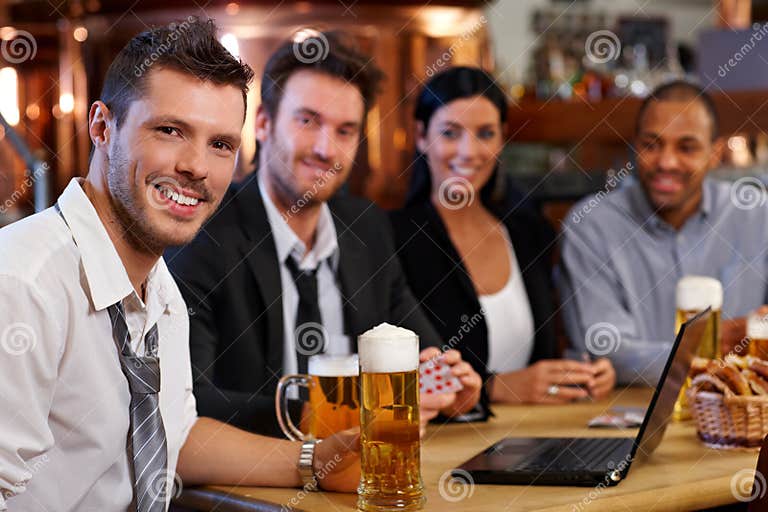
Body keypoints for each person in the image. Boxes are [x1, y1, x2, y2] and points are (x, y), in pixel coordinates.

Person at [0, 20, 361, 511]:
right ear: (102, 126)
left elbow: (176, 434)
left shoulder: (159, 287)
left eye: (220, 145)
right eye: (170, 130)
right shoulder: (22, 282)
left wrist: (315, 461)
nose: (196, 166)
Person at [166, 32, 482, 438]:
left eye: (345, 131)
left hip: (360, 481)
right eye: (307, 120)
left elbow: (424, 361)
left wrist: (452, 392)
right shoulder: (205, 232)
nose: (326, 149)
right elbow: (189, 399)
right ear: (263, 123)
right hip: (247, 491)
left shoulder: (367, 227)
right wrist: (334, 415)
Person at [389, 66, 615, 407]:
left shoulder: (528, 232)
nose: (469, 151)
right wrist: (496, 389)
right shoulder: (392, 238)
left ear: (502, 138)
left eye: (485, 133)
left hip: (534, 440)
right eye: (450, 133)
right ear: (421, 136)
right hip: (443, 448)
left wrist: (584, 375)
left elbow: (545, 358)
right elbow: (396, 378)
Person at [558, 80, 768, 385]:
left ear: (714, 153)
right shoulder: (591, 226)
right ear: (634, 146)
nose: (666, 162)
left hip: (736, 415)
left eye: (687, 147)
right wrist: (712, 349)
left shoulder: (756, 214)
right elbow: (605, 351)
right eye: (651, 145)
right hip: (631, 415)